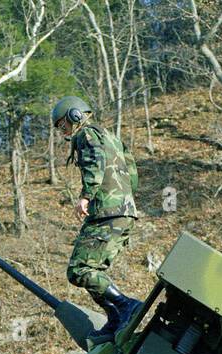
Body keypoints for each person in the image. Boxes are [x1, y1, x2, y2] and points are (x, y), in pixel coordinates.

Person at [52, 95, 142, 341]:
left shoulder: (86, 135)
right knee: (92, 269)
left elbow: (95, 164)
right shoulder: (111, 137)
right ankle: (115, 318)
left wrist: (86, 196)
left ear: (75, 116)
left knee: (79, 269)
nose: (63, 132)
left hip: (106, 212)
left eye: (62, 125)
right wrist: (124, 200)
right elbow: (132, 175)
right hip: (125, 213)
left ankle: (125, 306)